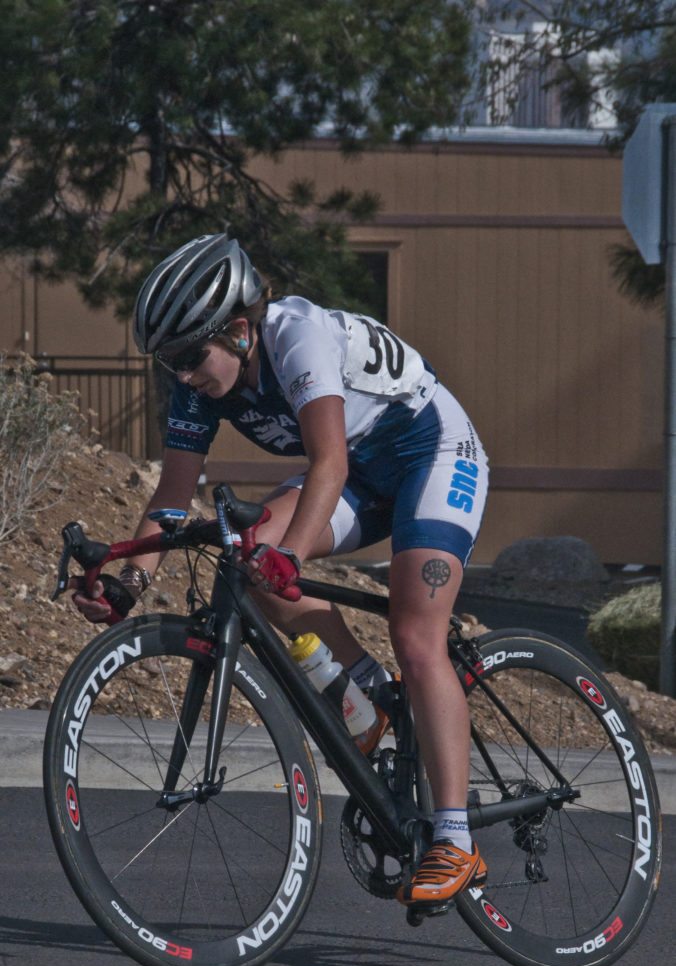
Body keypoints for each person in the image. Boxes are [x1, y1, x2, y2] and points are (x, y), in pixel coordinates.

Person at [71, 233, 489, 907]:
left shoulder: (300, 335)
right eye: (167, 361)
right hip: (361, 474)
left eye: (187, 356)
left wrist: (289, 555)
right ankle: (367, 695)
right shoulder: (200, 384)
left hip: (432, 453)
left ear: (238, 330)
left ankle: (456, 839)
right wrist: (128, 580)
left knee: (417, 636)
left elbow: (329, 463)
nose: (181, 374)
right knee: (245, 551)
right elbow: (173, 501)